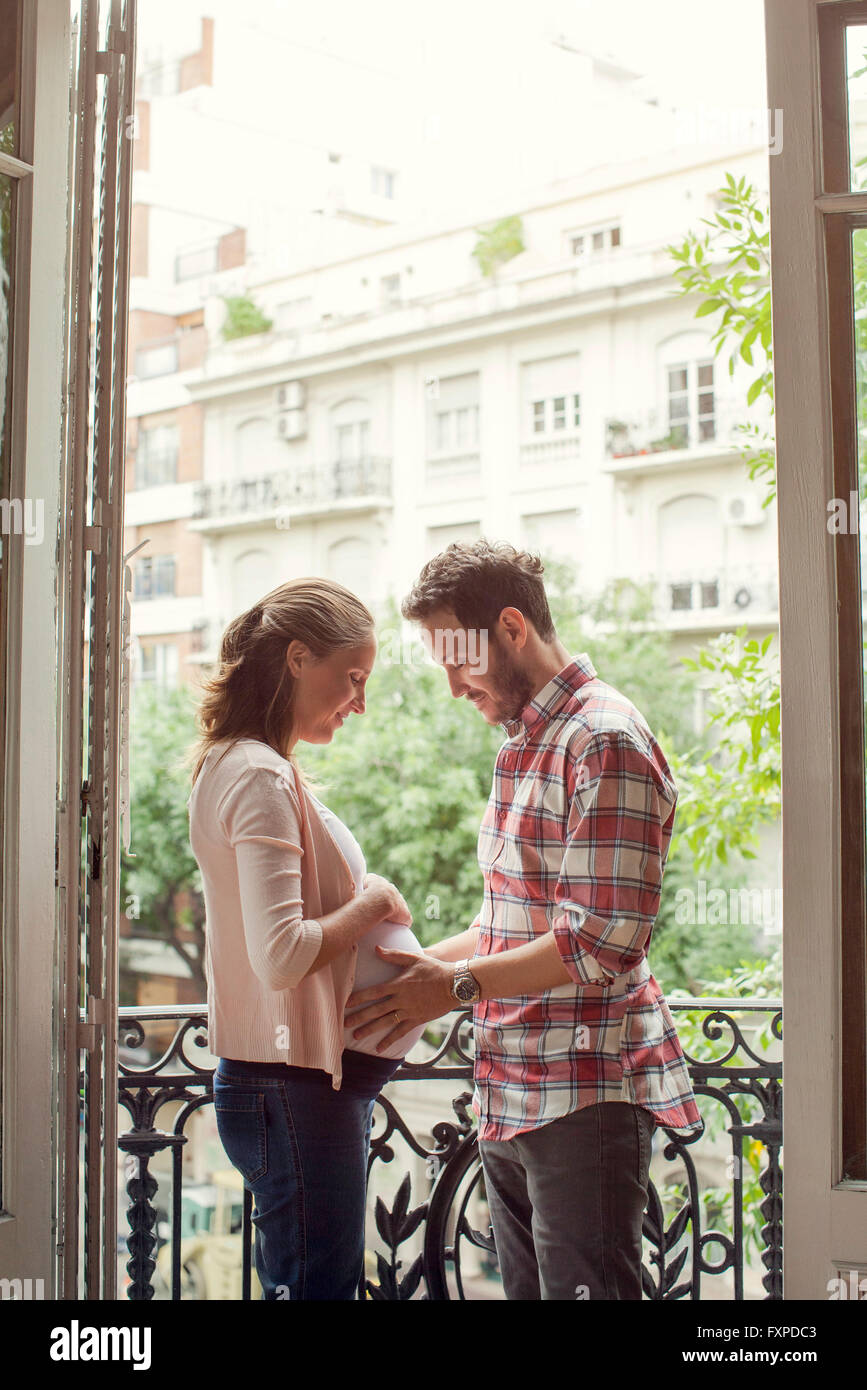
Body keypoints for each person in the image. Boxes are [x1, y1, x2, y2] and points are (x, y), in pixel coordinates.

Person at [345, 540, 704, 1301]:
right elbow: (514, 921)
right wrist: (405, 973)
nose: (449, 686)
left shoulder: (602, 739)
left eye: (456, 659)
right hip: (513, 1087)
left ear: (511, 628)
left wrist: (453, 987)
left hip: (583, 1092)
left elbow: (598, 942)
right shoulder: (528, 741)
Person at [186, 577, 425, 1301]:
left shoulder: (253, 764)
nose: (359, 700)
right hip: (291, 1090)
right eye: (352, 677)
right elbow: (283, 954)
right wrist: (374, 900)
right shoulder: (256, 773)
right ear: (297, 658)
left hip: (293, 1090)